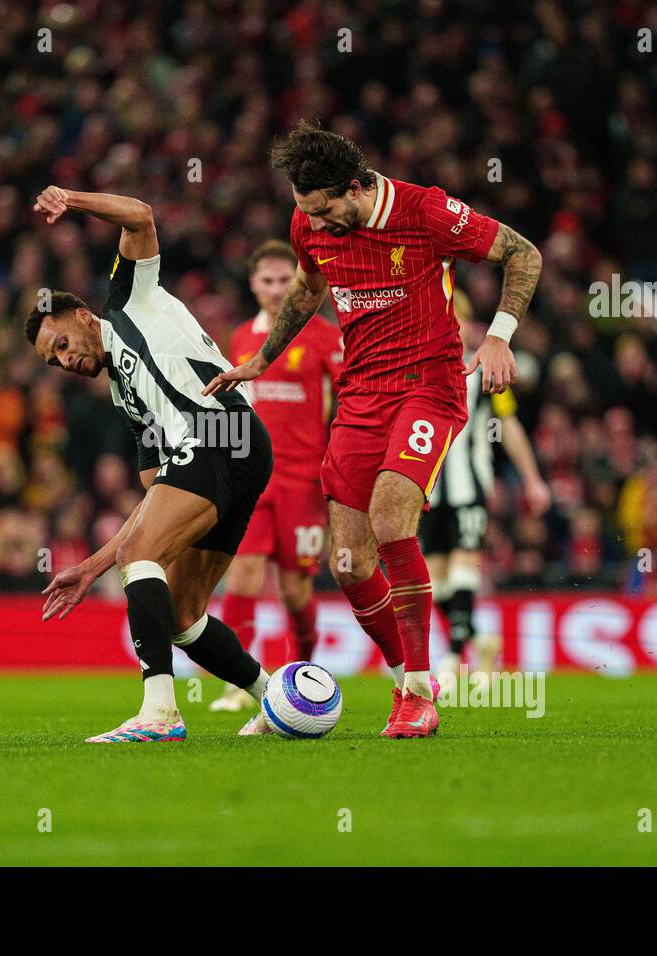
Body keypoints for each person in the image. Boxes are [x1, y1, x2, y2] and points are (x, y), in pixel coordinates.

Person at [206, 121, 542, 738]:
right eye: (305, 212)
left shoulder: (426, 210)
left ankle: (418, 692)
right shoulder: (308, 222)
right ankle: (406, 679)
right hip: (359, 398)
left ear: (357, 188)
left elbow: (524, 253)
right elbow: (308, 288)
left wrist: (498, 336)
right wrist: (262, 360)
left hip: (428, 387)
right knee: (348, 562)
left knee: (391, 524)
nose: (317, 224)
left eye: (327, 211)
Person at [25, 187, 275, 743]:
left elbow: (140, 215)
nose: (65, 360)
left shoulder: (126, 302)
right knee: (183, 614)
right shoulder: (129, 400)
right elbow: (152, 504)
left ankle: (160, 714)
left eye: (63, 342)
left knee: (142, 559)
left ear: (86, 318)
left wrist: (72, 199)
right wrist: (93, 566)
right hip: (235, 452)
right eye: (53, 359)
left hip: (220, 429)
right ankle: (277, 698)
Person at [211, 239, 348, 712]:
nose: (274, 289)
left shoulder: (328, 337)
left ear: (297, 284)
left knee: (295, 590)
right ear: (252, 284)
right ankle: (237, 682)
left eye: (282, 280)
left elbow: (342, 404)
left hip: (304, 480)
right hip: (253, 478)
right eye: (266, 280)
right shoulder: (242, 337)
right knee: (243, 577)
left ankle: (303, 674)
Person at [422, 293, 550, 688]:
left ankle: (456, 654)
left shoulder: (481, 369)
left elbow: (508, 425)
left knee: (464, 565)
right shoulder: (418, 369)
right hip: (426, 490)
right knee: (435, 581)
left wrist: (532, 479)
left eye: (458, 319)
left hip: (469, 487)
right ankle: (481, 641)